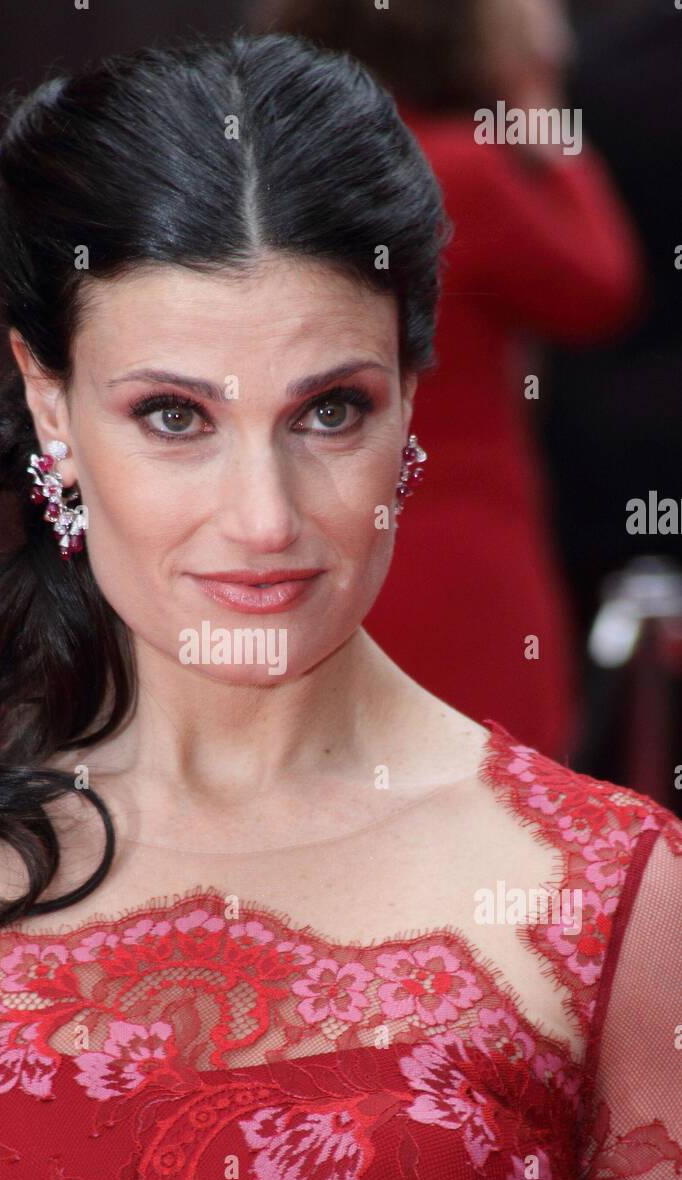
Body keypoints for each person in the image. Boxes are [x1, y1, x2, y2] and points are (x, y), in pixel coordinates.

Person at [0, 32, 679, 1180]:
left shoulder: (608, 902)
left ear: (413, 400)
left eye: (329, 410)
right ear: (51, 405)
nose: (263, 518)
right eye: (173, 417)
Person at [250, 0, 645, 761]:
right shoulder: (461, 167)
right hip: (459, 555)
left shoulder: (283, 167)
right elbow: (601, 286)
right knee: (489, 806)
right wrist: (542, 118)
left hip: (305, 543)